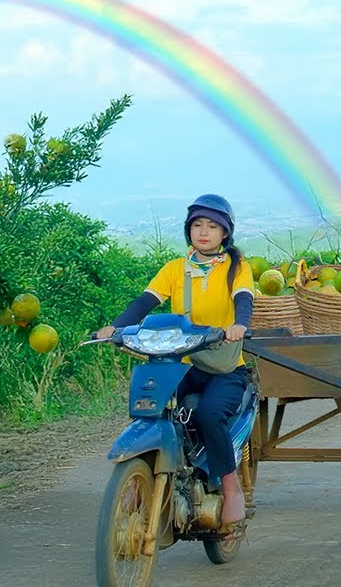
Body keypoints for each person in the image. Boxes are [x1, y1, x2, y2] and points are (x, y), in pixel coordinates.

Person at [96, 193, 254, 534]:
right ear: (189, 230)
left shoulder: (236, 268)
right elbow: (146, 301)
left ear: (225, 233)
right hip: (184, 363)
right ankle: (145, 478)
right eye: (198, 225)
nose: (204, 232)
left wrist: (239, 324)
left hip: (225, 367)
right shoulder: (174, 269)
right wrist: (117, 327)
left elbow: (243, 298)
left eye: (213, 226)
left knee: (211, 413)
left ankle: (229, 486)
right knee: (154, 404)